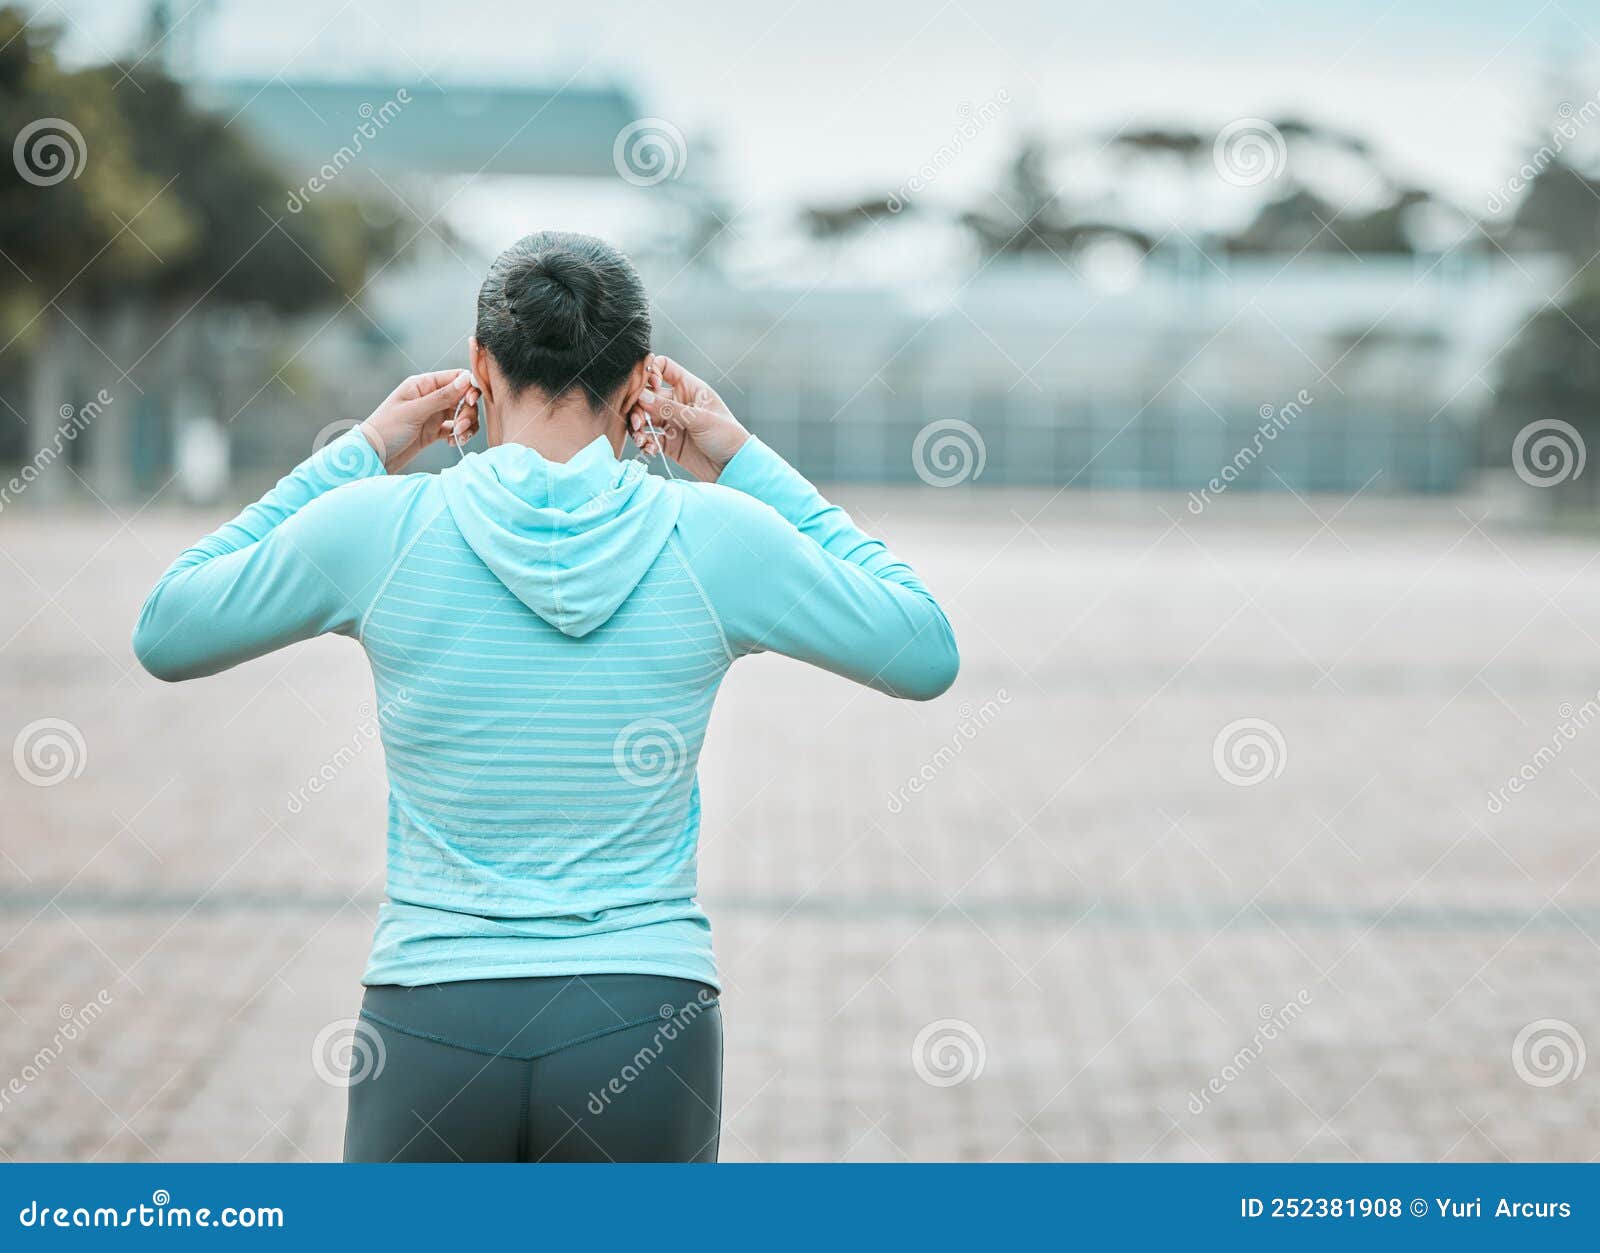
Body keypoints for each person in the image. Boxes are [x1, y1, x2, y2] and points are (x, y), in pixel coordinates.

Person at [132, 230, 960, 1162]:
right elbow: (922, 646)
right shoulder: (718, 535)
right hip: (644, 1017)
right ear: (642, 377)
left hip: (429, 1021)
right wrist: (743, 463)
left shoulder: (380, 528)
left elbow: (169, 626)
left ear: (479, 365)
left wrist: (361, 452)